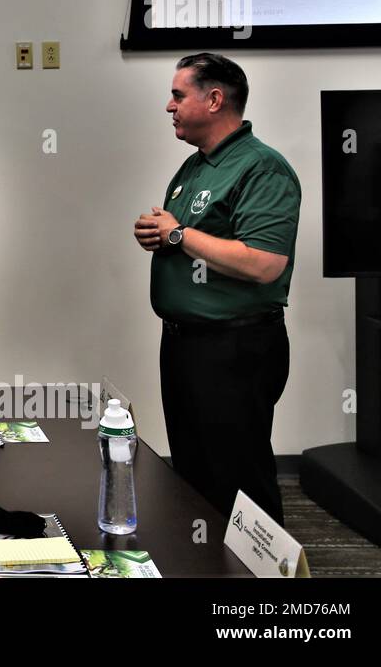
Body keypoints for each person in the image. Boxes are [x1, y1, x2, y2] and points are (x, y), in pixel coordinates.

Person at [134, 53, 300, 524]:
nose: (169, 106)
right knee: (194, 474)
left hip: (235, 347)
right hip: (186, 343)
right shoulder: (195, 167)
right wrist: (161, 236)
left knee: (239, 476)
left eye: (178, 95)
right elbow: (189, 240)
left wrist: (178, 235)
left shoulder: (263, 168)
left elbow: (264, 263)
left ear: (214, 99)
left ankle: (262, 588)